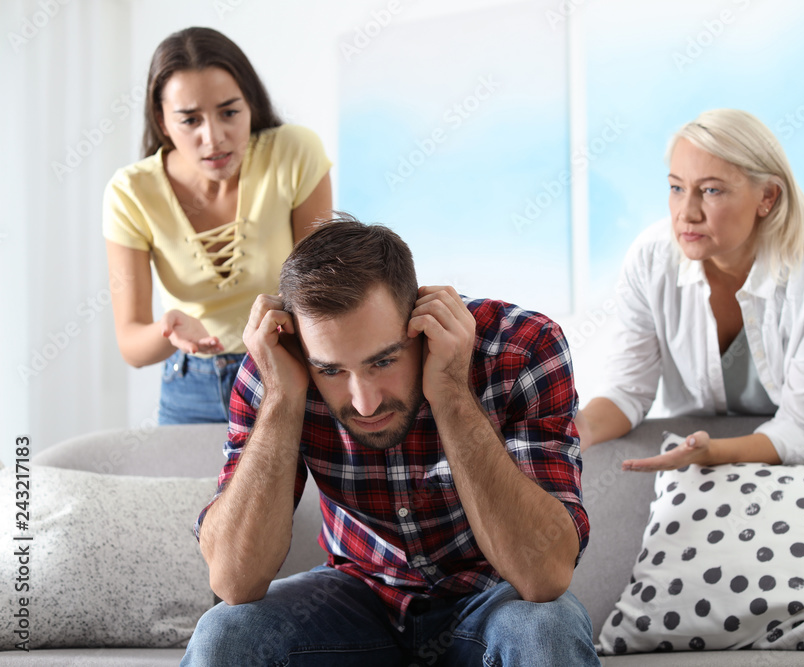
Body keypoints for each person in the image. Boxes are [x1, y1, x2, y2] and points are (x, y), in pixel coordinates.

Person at [182, 215, 600, 666]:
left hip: (492, 597)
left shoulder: (522, 348)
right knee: (226, 633)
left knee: (546, 629)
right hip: (357, 598)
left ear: (418, 322)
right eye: (331, 371)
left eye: (383, 361)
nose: (364, 403)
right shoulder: (276, 367)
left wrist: (452, 394)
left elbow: (545, 577)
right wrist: (283, 398)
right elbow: (233, 581)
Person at [576, 108, 804, 471]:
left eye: (711, 190)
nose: (687, 213)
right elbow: (628, 391)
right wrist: (575, 429)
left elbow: (803, 429)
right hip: (712, 445)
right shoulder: (650, 260)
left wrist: (715, 454)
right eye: (676, 188)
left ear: (768, 197)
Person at [103, 27, 332, 425]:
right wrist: (168, 331)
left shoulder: (294, 153)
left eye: (229, 112)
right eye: (190, 120)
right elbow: (130, 344)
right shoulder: (130, 192)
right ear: (162, 120)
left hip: (285, 370)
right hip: (190, 386)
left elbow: (318, 296)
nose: (214, 138)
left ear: (250, 104)